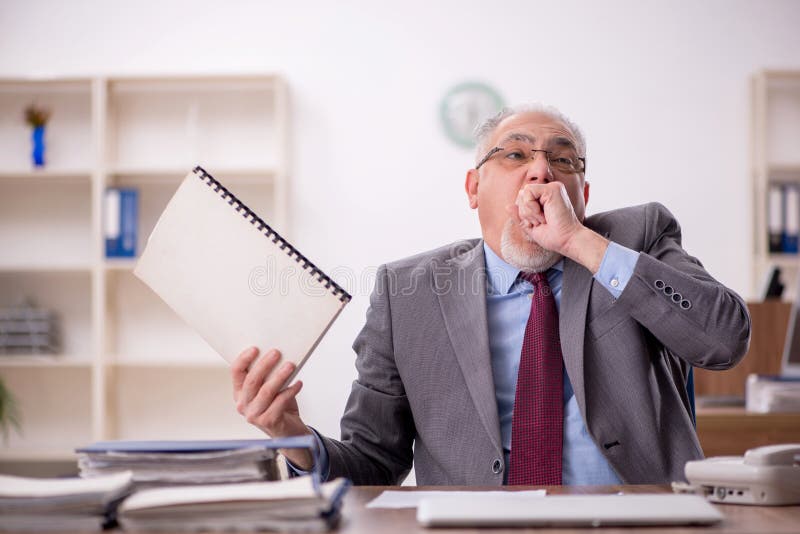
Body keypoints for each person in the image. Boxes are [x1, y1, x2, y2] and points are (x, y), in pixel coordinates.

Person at [231, 104, 751, 486]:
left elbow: (724, 340)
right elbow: (373, 462)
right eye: (515, 154)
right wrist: (292, 435)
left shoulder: (636, 241)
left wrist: (579, 241)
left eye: (563, 161)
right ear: (473, 189)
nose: (541, 171)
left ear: (584, 197)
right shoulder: (407, 294)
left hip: (638, 521)